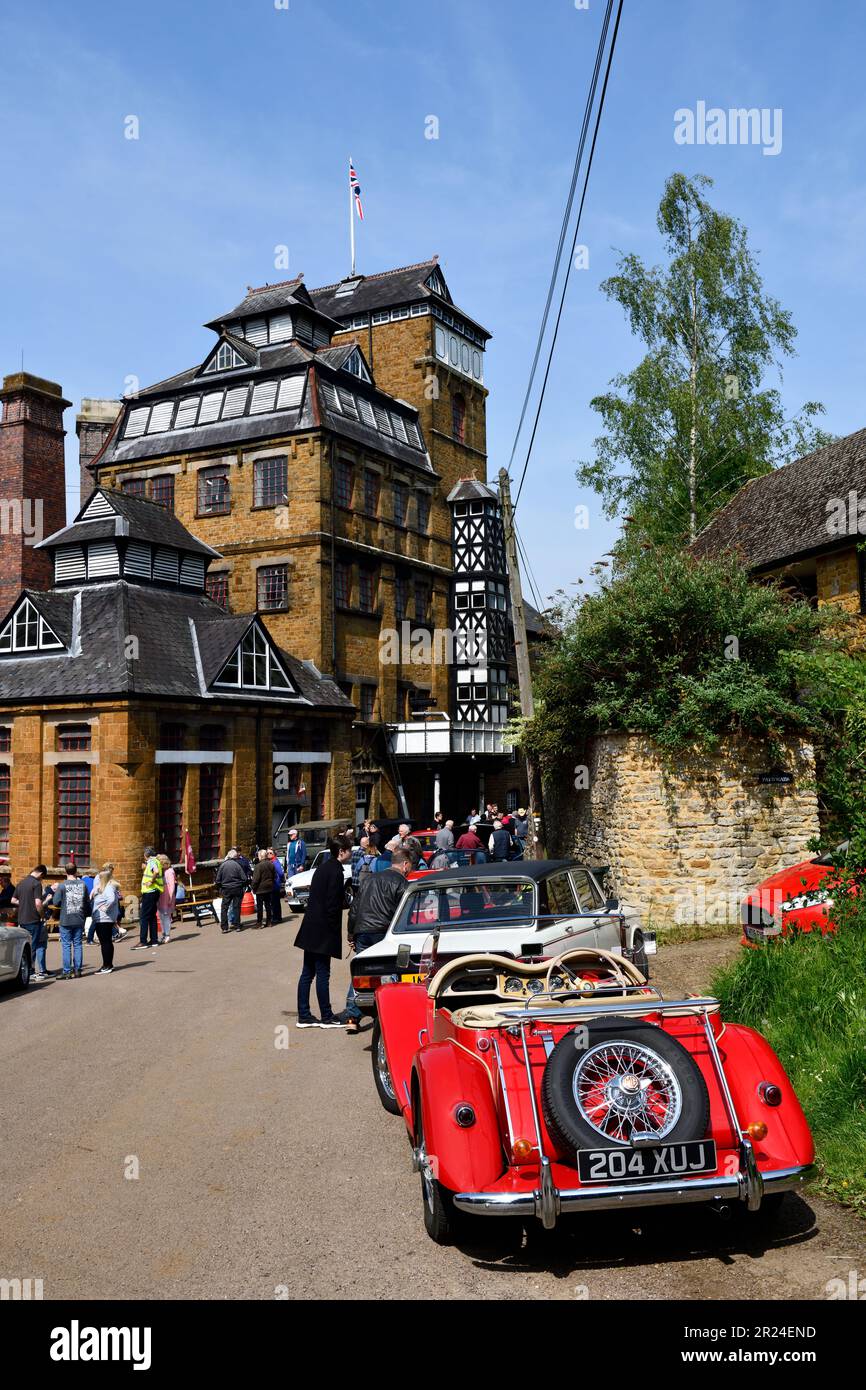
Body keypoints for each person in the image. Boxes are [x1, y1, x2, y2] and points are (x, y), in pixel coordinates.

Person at [343, 848, 413, 1034]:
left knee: (361, 974)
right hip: (384, 932)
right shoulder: (402, 883)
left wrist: (351, 934)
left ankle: (352, 1016)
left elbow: (354, 909)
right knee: (391, 972)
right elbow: (405, 913)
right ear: (405, 864)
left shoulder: (370, 880)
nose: (409, 870)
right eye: (409, 866)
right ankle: (390, 1012)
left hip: (363, 931)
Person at [293, 839, 351, 1028]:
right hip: (323, 930)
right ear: (341, 851)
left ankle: (304, 1015)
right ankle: (327, 1016)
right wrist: (335, 934)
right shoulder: (335, 871)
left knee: (307, 973)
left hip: (311, 927)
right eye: (348, 851)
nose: (350, 854)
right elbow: (332, 905)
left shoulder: (323, 868)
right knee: (322, 974)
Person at [53, 864, 91, 980]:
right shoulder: (83, 884)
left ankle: (67, 971)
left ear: (66, 872)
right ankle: (78, 970)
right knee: (78, 944)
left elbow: (56, 902)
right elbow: (86, 902)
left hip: (66, 919)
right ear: (76, 871)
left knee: (66, 945)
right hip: (79, 918)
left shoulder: (62, 885)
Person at [12, 864, 49, 981]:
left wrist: (24, 903)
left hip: (22, 919)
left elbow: (13, 900)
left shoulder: (21, 883)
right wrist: (42, 916)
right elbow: (38, 903)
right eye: (42, 877)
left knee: (24, 946)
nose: (41, 879)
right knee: (33, 946)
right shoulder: (36, 884)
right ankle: (31, 971)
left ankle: (25, 970)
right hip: (33, 919)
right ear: (41, 874)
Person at [90, 865, 123, 975]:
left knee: (105, 942)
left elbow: (112, 899)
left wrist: (105, 907)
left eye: (99, 877)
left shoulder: (108, 887)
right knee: (106, 941)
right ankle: (109, 965)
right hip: (103, 918)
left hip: (105, 918)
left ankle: (106, 966)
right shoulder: (105, 886)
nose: (98, 879)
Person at [132, 846, 163, 950]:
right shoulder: (155, 861)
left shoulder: (151, 861)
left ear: (146, 855)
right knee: (151, 916)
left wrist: (151, 881)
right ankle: (154, 940)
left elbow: (156, 871)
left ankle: (143, 941)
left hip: (149, 892)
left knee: (144, 917)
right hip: (155, 891)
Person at [215, 849, 247, 932]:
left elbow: (217, 880)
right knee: (236, 907)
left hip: (226, 889)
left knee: (224, 908)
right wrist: (241, 885)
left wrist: (221, 887)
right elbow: (244, 878)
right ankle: (237, 925)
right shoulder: (237, 865)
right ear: (235, 857)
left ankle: (224, 927)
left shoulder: (222, 865)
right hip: (237, 888)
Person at [251, 849, 275, 928]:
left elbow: (256, 879)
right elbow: (274, 875)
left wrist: (253, 888)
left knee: (260, 907)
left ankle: (259, 922)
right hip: (269, 887)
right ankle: (269, 922)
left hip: (260, 889)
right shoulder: (271, 864)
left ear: (261, 856)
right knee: (268, 905)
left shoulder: (258, 866)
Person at [157, 854, 176, 943]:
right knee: (161, 916)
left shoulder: (169, 872)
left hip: (167, 896)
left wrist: (170, 897)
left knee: (166, 916)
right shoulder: (163, 871)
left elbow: (171, 886)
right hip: (161, 896)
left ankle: (167, 935)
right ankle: (164, 934)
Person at [268, 848, 285, 924]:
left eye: (270, 853)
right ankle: (276, 917)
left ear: (274, 854)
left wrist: (280, 880)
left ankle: (277, 918)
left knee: (275, 902)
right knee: (274, 902)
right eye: (267, 853)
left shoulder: (275, 862)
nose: (268, 854)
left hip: (275, 885)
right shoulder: (270, 861)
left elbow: (281, 873)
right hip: (272, 885)